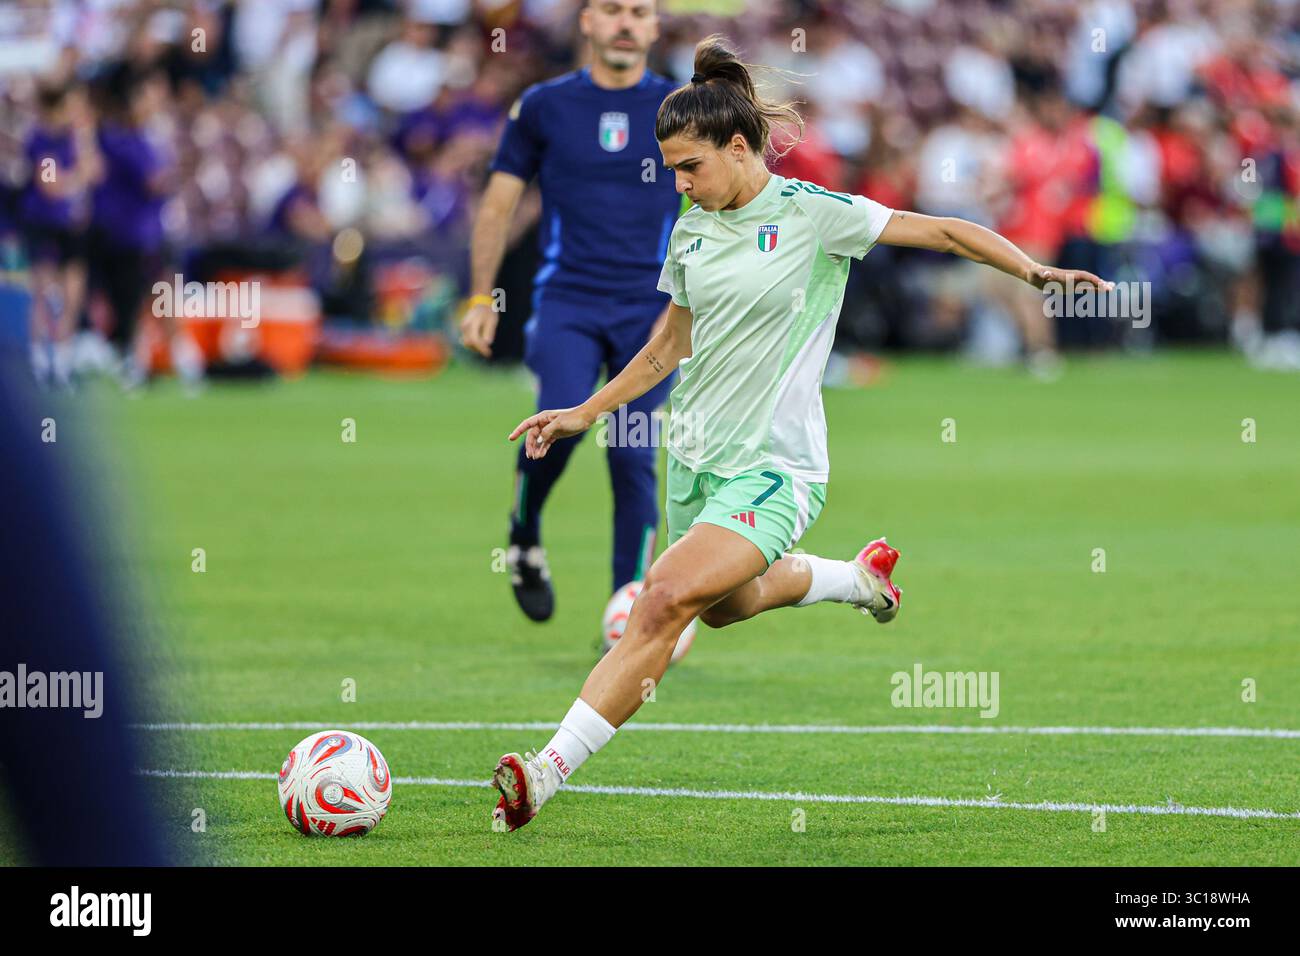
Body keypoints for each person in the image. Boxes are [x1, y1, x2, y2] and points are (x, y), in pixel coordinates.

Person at [490, 35, 1112, 831]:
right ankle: (857, 580)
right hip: (696, 460)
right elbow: (666, 350)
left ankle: (544, 773)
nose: (677, 182)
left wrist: (1036, 273)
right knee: (722, 607)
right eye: (673, 168)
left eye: (690, 166)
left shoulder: (815, 215)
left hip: (777, 468)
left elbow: (948, 233)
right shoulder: (691, 230)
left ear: (740, 147)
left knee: (663, 602)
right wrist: (584, 410)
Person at [459, 0, 684, 622]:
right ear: (586, 21)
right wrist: (481, 297)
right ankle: (524, 534)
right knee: (554, 424)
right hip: (569, 302)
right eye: (612, 10)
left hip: (653, 308)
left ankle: (631, 615)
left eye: (639, 12)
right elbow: (498, 206)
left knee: (631, 449)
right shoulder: (544, 106)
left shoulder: (682, 109)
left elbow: (722, 201)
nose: (625, 23)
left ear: (654, 27)